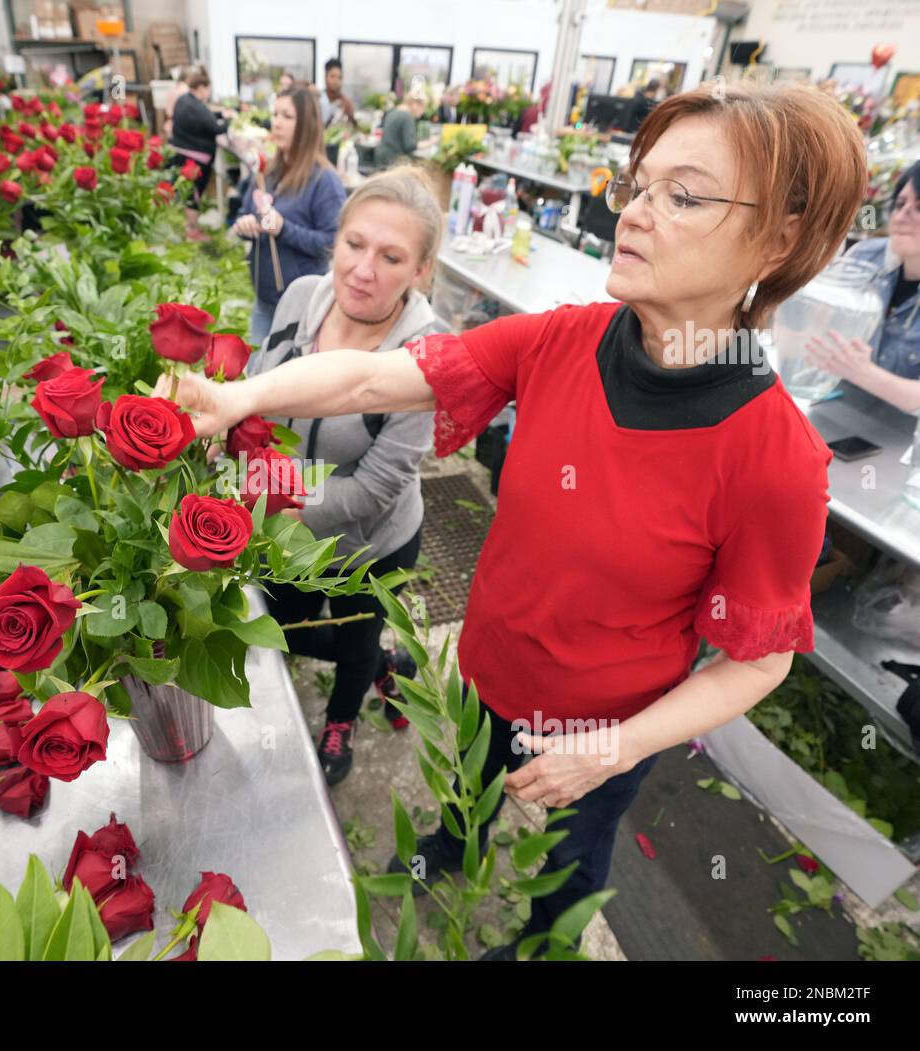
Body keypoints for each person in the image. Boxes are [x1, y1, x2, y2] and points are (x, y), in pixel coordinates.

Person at [171, 83, 866, 958]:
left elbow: (757, 660)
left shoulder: (772, 456)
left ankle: (544, 944)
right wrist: (235, 396)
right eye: (638, 186)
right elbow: (367, 379)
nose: (638, 215)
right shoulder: (560, 340)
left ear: (782, 238)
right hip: (490, 662)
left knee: (568, 864)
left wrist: (614, 747)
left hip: (601, 721)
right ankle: (453, 847)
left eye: (682, 196)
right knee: (469, 783)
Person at [249, 168, 443, 784]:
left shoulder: (426, 356)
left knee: (357, 628)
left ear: (419, 271)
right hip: (282, 531)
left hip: (371, 541)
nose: (363, 270)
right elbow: (259, 382)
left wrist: (270, 498)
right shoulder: (302, 295)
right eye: (355, 244)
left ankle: (342, 718)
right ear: (335, 239)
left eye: (391, 257)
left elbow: (374, 488)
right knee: (280, 627)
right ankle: (386, 666)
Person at [233, 84, 345, 347]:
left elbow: (332, 243)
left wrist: (284, 229)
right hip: (264, 299)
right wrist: (245, 224)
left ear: (306, 124)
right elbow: (244, 211)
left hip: (301, 307)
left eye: (287, 116)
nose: (277, 123)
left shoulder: (324, 181)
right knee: (255, 372)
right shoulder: (269, 172)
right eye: (275, 114)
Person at [804, 162, 920, 412]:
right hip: (838, 409)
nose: (902, 216)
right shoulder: (865, 258)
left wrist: (863, 373)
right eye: (900, 205)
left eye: (919, 208)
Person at [169, 71, 230, 237]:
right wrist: (228, 120)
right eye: (208, 89)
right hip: (194, 156)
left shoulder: (184, 100)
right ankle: (192, 231)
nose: (208, 93)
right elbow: (215, 128)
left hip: (182, 151)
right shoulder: (195, 106)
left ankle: (190, 228)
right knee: (193, 193)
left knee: (188, 192)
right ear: (201, 88)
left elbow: (206, 117)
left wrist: (220, 115)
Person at [374, 87, 427, 169]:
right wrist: (430, 142)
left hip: (382, 154)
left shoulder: (394, 111)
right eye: (423, 108)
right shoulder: (407, 117)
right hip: (393, 159)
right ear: (415, 104)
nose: (423, 112)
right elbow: (410, 145)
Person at [319, 58, 356, 129]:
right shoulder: (318, 99)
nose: (336, 81)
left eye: (339, 77)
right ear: (325, 77)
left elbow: (353, 127)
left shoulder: (346, 103)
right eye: (332, 76)